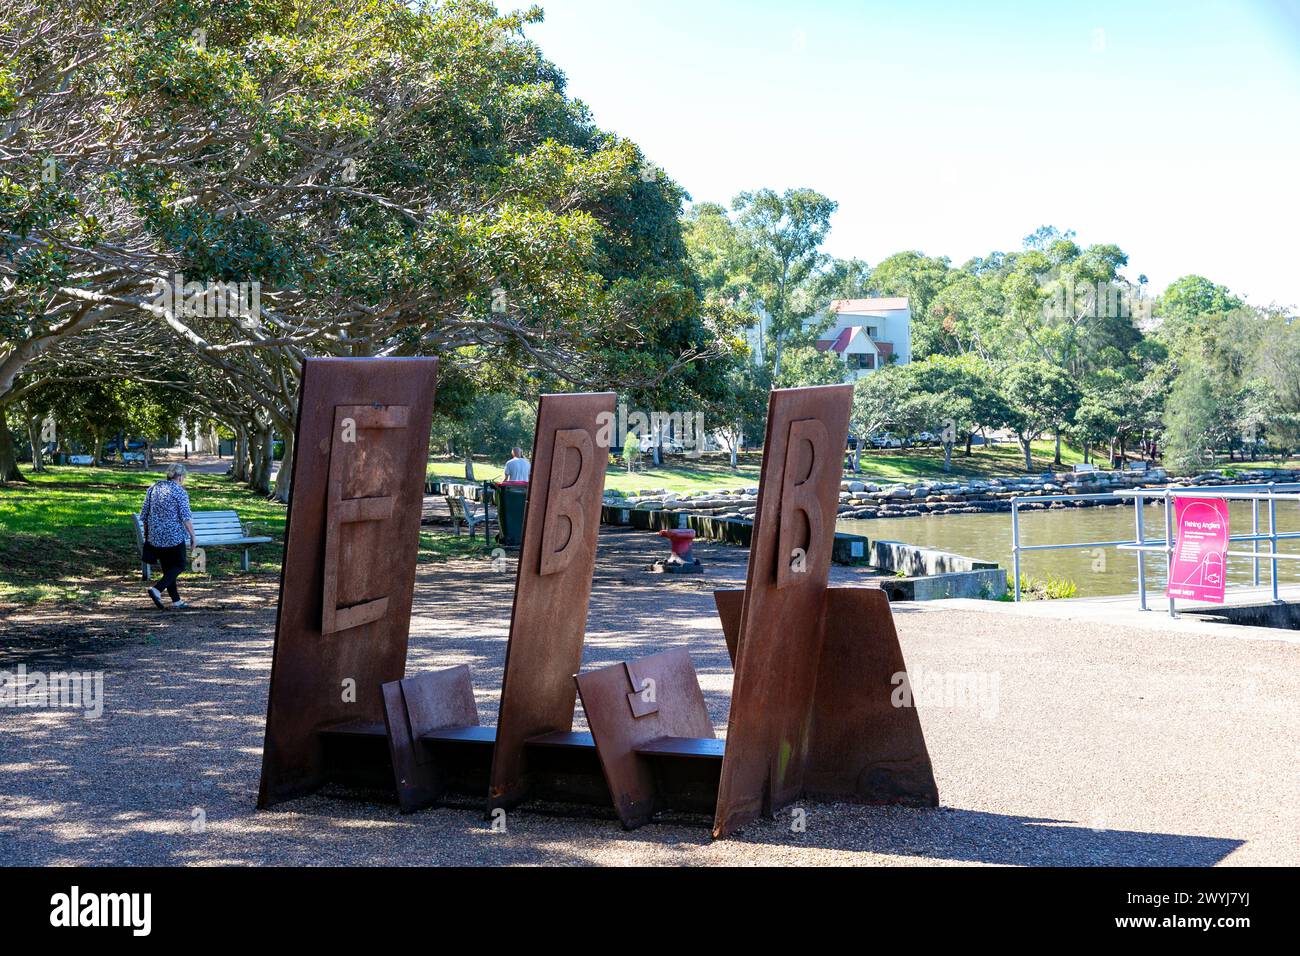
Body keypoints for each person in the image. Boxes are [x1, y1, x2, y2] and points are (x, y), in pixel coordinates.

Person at [139, 462, 197, 610]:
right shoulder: (179, 492)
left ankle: (176, 601)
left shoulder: (153, 488)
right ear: (180, 477)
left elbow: (144, 515)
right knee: (179, 565)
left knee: (168, 570)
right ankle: (157, 589)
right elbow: (185, 517)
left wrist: (148, 535)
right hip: (174, 537)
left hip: (155, 537)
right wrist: (193, 536)